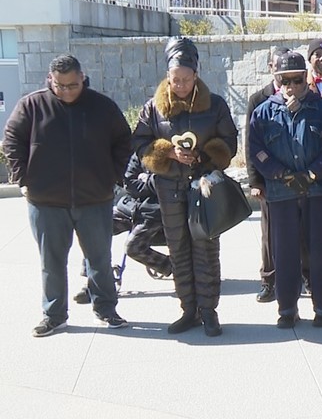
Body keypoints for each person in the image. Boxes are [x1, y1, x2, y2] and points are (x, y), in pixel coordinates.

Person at [2, 54, 132, 336]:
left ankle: (106, 310)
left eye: (72, 85)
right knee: (51, 262)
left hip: (95, 199)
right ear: (50, 80)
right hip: (46, 201)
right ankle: (54, 315)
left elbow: (124, 141)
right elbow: (12, 139)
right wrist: (22, 178)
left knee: (99, 259)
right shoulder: (32, 105)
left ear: (82, 78)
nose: (66, 91)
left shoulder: (102, 107)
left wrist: (113, 177)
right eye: (60, 86)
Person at [134, 37, 238, 337]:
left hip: (202, 188)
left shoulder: (215, 104)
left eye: (186, 79)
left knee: (205, 249)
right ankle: (188, 310)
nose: (180, 85)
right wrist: (168, 152)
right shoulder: (153, 107)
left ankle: (209, 311)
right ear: (167, 76)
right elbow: (139, 143)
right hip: (169, 188)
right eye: (175, 79)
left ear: (196, 75)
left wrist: (204, 155)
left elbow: (229, 142)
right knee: (179, 249)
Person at [248, 51, 322, 329]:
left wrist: (312, 173)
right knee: (284, 253)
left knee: (321, 251)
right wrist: (280, 174)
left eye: (297, 81)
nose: (291, 87)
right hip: (281, 192)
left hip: (317, 191)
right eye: (284, 81)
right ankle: (287, 308)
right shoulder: (263, 112)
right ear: (276, 80)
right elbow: (256, 150)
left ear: (306, 79)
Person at [247, 46, 287, 304]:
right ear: (271, 68)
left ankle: (303, 276)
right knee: (270, 233)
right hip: (268, 177)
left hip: (298, 176)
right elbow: (250, 143)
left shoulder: (305, 93)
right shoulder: (258, 99)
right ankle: (269, 280)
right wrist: (255, 181)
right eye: (276, 65)